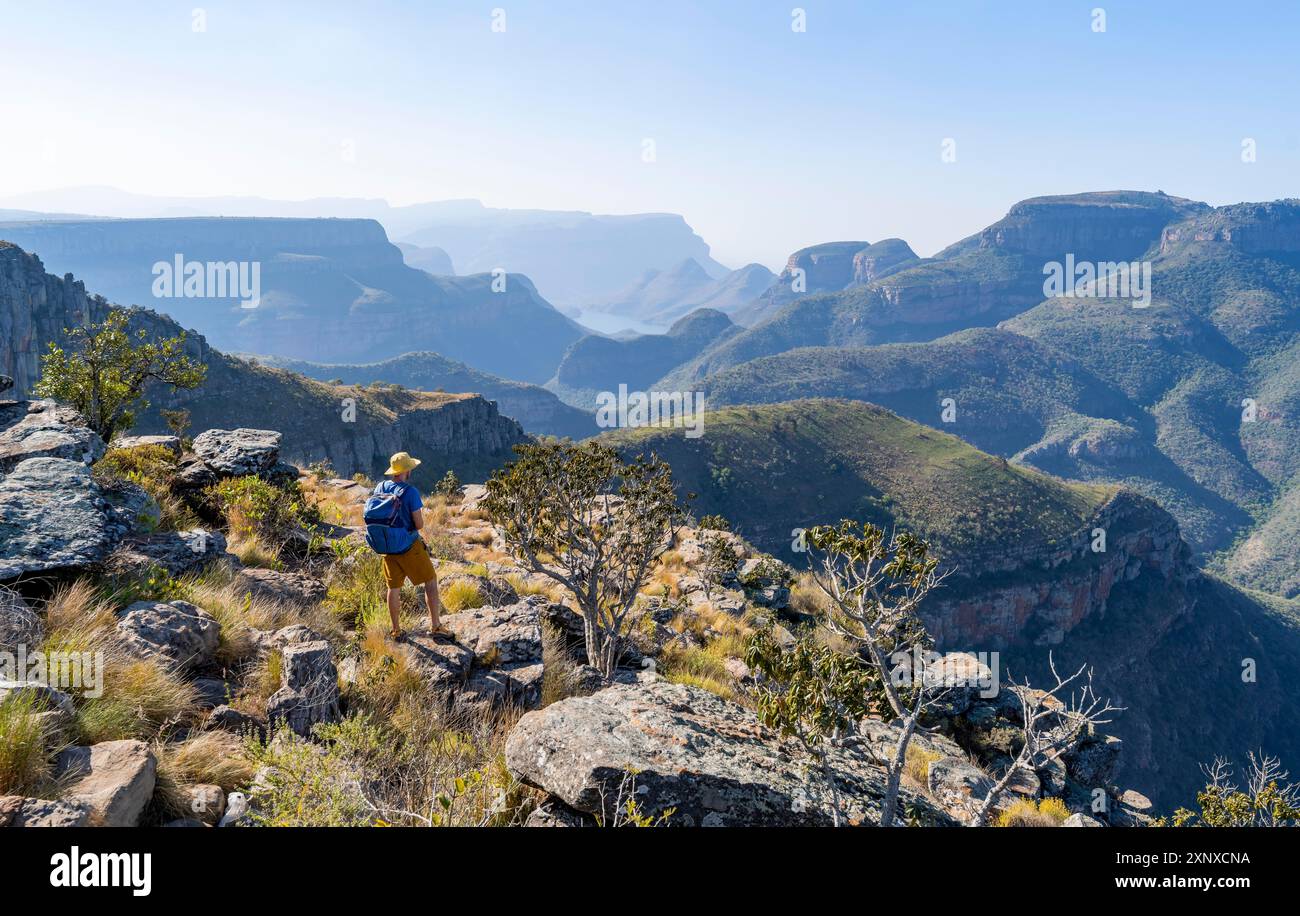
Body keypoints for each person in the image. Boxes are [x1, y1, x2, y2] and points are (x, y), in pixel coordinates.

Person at [374, 451, 446, 640]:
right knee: (430, 580)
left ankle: (396, 630)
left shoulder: (380, 487)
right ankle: (436, 625)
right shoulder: (410, 492)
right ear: (407, 470)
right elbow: (419, 524)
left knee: (394, 588)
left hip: (387, 547)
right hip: (408, 545)